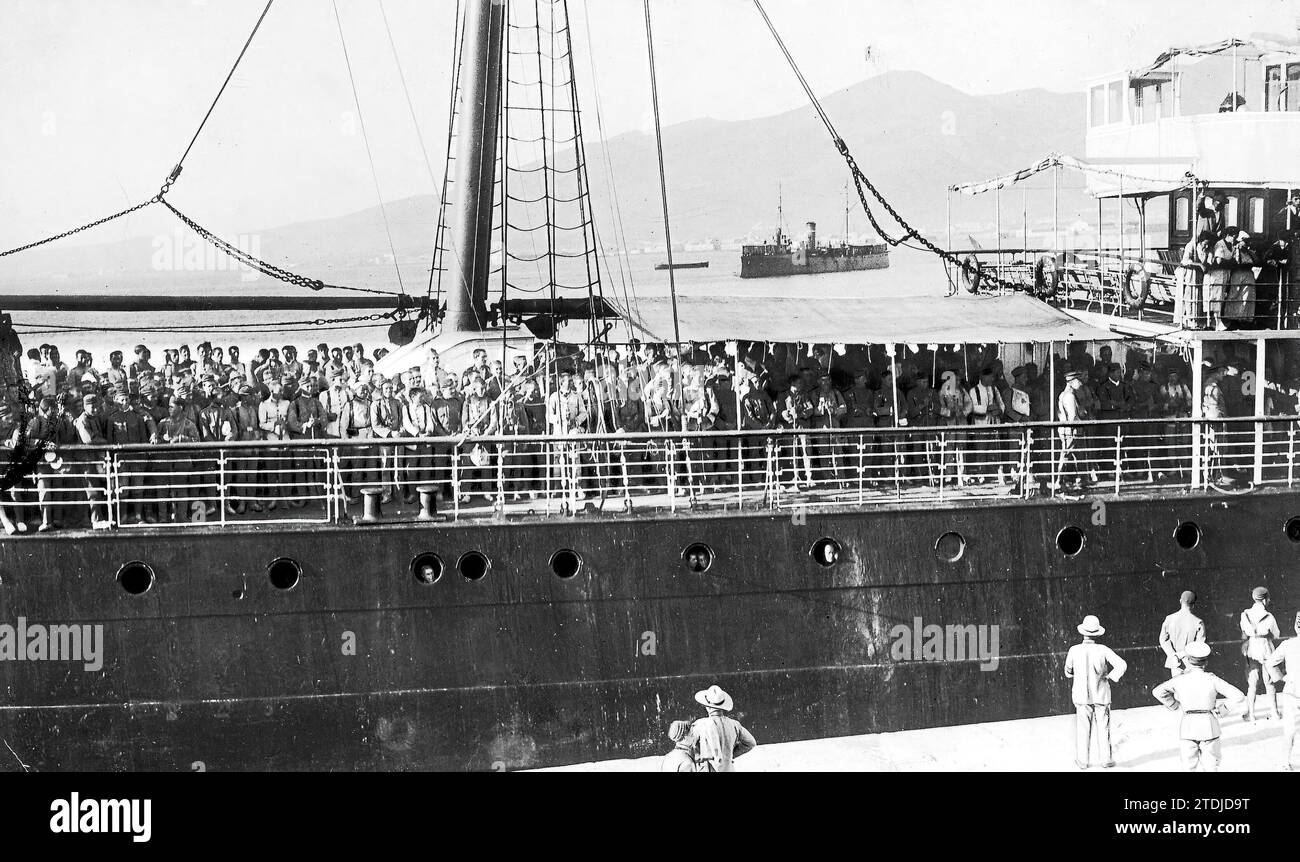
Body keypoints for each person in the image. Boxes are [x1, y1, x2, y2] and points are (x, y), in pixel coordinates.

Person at [1152, 641, 1245, 772]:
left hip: (1188, 727)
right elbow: (1238, 695)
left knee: (1188, 767)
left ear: (1188, 661)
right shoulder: (1212, 679)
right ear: (1206, 662)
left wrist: (1174, 705)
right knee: (1211, 766)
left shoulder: (1179, 680)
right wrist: (1222, 710)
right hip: (1209, 726)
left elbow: (1157, 692)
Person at [1064, 614, 1127, 769]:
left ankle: (1083, 761)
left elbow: (1067, 672)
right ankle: (1106, 759)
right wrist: (1110, 676)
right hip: (1101, 694)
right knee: (1104, 727)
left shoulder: (1074, 650)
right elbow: (1122, 665)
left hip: (1081, 695)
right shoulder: (1103, 649)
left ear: (1083, 632)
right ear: (1097, 633)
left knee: (1083, 729)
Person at [690, 685, 757, 772]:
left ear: (708, 706)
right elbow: (751, 743)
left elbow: (689, 746)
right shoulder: (734, 724)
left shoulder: (700, 725)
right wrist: (729, 755)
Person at [1241, 586, 1282, 723]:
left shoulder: (1245, 614)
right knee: (1269, 682)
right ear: (1265, 599)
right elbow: (1277, 634)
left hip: (1252, 647)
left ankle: (1251, 714)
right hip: (1266, 647)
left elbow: (1244, 632)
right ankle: (1275, 713)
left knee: (1252, 683)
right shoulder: (1269, 616)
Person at [1265, 611, 1300, 770]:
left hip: (1292, 690)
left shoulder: (1288, 644)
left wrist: (1282, 677)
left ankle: (1286, 762)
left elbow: (1269, 663)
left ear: (1296, 626)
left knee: (1289, 730)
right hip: (1293, 691)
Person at [1159, 590, 1205, 677]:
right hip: (1191, 663)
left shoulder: (1169, 619)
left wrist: (1173, 655)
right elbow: (1200, 644)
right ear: (1194, 605)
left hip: (1175, 662)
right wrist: (1184, 654)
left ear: (1180, 601)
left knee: (1177, 688)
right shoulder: (1198, 622)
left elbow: (1163, 639)